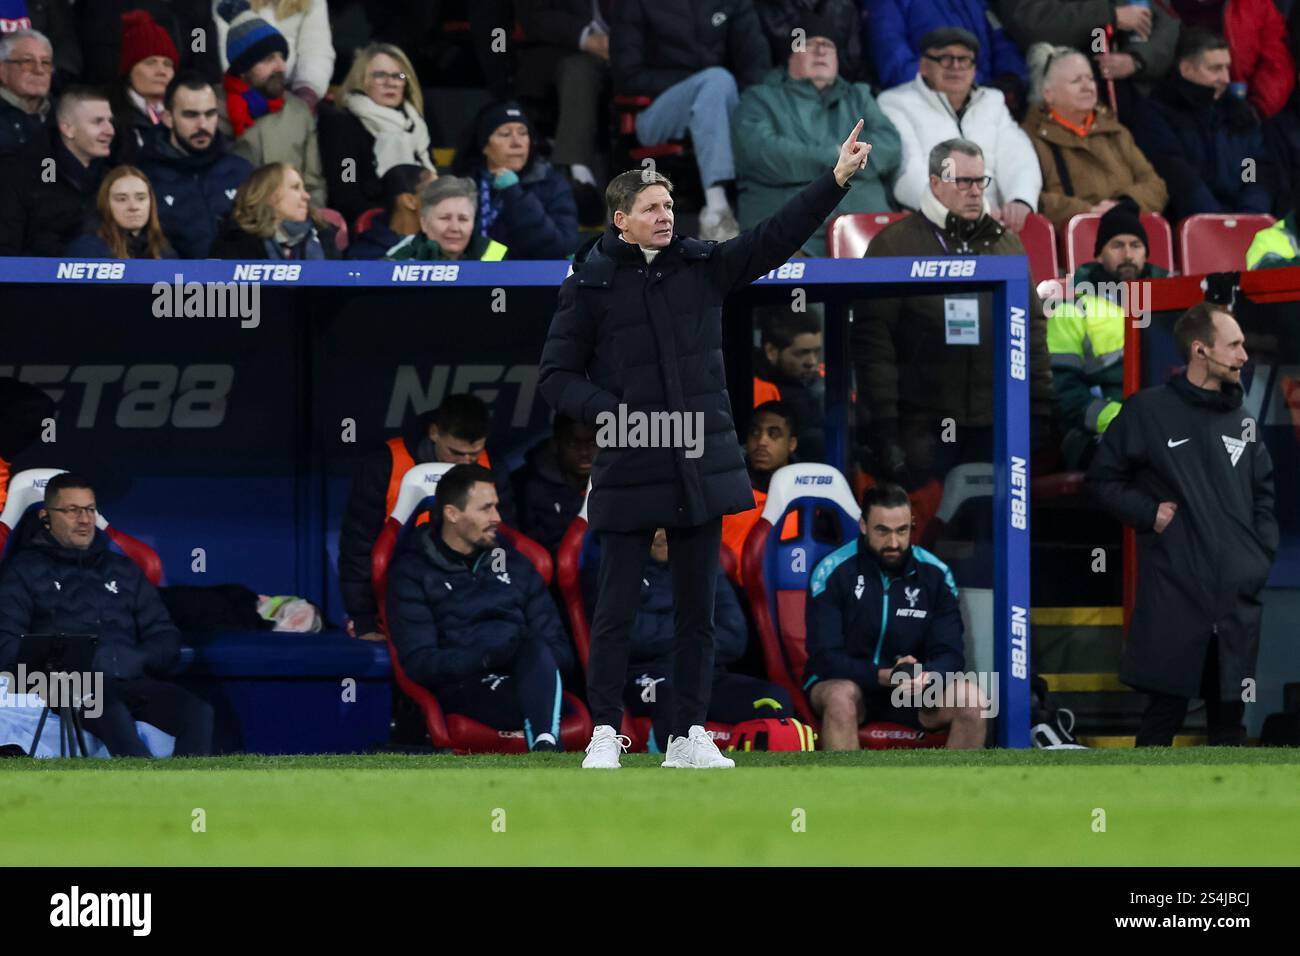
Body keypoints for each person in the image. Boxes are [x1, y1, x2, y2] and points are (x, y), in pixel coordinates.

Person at [539, 118, 871, 769]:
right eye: (653, 208)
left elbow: (773, 237)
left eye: (669, 204)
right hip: (631, 457)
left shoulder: (702, 266)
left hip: (699, 459)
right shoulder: (590, 284)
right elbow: (554, 378)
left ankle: (688, 735)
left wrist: (834, 180)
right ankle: (606, 731)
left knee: (699, 610)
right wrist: (610, 410)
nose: (667, 215)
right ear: (621, 219)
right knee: (615, 609)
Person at [1087, 302, 1277, 746]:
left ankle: (1226, 814)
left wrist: (1256, 559)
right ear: (1200, 350)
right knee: (1163, 716)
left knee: (1230, 720)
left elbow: (1265, 498)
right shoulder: (1148, 412)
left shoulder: (1244, 421)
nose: (1244, 355)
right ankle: (1142, 813)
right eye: (1233, 345)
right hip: (1176, 590)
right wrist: (1148, 513)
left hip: (1235, 597)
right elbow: (1101, 479)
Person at [853, 139, 1054, 496]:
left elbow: (1032, 328)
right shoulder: (894, 245)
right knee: (928, 529)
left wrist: (1038, 407)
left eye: (981, 181)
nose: (975, 192)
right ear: (934, 183)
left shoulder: (1006, 242)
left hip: (994, 422)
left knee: (991, 532)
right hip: (921, 426)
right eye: (963, 182)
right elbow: (873, 341)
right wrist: (883, 425)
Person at [0, 473, 214, 757]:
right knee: (110, 711)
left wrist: (139, 658)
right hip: (67, 686)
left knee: (198, 711)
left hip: (131, 679)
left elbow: (164, 635)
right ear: (46, 516)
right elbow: (7, 646)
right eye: (72, 510)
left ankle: (190, 794)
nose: (85, 519)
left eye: (90, 509)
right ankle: (141, 792)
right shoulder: (22, 572)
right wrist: (56, 667)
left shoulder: (123, 570)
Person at [384, 464, 576, 752]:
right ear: (452, 513)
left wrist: (521, 660)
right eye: (486, 509)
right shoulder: (413, 571)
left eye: (497, 507)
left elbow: (560, 649)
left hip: (531, 674)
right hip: (464, 685)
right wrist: (486, 658)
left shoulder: (517, 564)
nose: (497, 518)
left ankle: (545, 746)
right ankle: (547, 745)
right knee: (537, 696)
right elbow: (419, 662)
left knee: (533, 652)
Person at [804, 483, 986, 750]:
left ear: (912, 525)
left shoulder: (935, 574)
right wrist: (882, 675)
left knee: (974, 702)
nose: (893, 543)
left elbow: (951, 654)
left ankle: (953, 793)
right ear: (864, 525)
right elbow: (824, 657)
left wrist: (926, 674)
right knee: (840, 697)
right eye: (882, 531)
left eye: (902, 531)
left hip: (911, 691)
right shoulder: (832, 571)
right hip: (850, 686)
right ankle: (842, 792)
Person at [585, 528, 795, 751]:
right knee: (674, 696)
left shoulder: (704, 565)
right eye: (654, 528)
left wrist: (677, 640)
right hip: (648, 676)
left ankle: (753, 781)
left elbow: (735, 637)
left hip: (705, 674)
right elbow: (632, 637)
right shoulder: (616, 568)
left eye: (668, 526)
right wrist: (693, 636)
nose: (662, 534)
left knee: (775, 700)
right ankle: (670, 776)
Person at [338, 394, 509, 644]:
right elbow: (359, 546)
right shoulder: (387, 464)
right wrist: (363, 617)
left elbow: (506, 546)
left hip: (474, 602)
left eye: (474, 454)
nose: (466, 462)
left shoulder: (491, 466)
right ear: (434, 432)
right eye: (456, 452)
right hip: (403, 599)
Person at [732, 12, 902, 256]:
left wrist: (810, 161)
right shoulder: (758, 100)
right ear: (790, 55)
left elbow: (890, 146)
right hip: (789, 238)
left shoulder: (859, 97)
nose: (821, 51)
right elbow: (762, 155)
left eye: (828, 46)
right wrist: (840, 159)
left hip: (865, 235)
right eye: (809, 44)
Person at [611, 0, 772, 241]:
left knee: (732, 91)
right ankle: (717, 209)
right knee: (716, 81)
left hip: (721, 104)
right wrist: (697, 84)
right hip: (654, 113)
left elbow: (755, 66)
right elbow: (627, 76)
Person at [878, 27, 1040, 231]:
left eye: (964, 59)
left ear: (974, 68)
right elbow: (906, 172)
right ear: (924, 65)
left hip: (996, 222)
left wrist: (1020, 199)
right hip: (932, 224)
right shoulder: (895, 103)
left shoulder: (993, 101)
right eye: (945, 58)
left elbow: (1019, 156)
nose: (956, 66)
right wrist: (959, 209)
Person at [1048, 198, 1168, 469]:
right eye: (1117, 245)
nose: (1128, 255)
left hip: (1161, 426)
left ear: (1146, 253)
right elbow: (1063, 392)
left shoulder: (1170, 304)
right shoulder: (1072, 309)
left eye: (1135, 246)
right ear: (1099, 255)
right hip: (1091, 433)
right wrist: (1119, 419)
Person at [1133, 29, 1275, 223]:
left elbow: (1252, 166)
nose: (1226, 78)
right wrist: (1214, 222)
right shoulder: (1157, 113)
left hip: (1243, 224)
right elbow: (1176, 174)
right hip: (1190, 228)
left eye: (1227, 68)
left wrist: (1250, 213)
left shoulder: (1240, 114)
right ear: (1186, 69)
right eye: (1215, 69)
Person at [1022, 44, 1167, 229]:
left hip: (1126, 232)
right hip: (1073, 240)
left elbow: (1156, 187)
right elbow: (1031, 197)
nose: (1087, 87)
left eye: (1090, 79)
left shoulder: (1116, 131)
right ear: (1048, 94)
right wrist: (1088, 213)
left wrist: (1123, 205)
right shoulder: (1029, 138)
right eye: (1076, 81)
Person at [992, 0, 1178, 123]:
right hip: (1058, 94)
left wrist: (1136, 58)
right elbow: (1032, 24)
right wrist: (1110, 15)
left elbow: (1162, 21)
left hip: (1128, 89)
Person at [216, 0, 325, 205]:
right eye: (268, 59)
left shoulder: (298, 112)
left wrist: (315, 222)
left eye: (282, 57)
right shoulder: (214, 109)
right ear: (243, 68)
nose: (281, 67)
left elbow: (313, 184)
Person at [136, 72, 254, 259]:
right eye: (191, 115)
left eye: (210, 114)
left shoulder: (241, 171)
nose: (203, 125)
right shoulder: (142, 177)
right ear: (167, 118)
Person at [515, 1, 611, 224]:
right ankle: (576, 178)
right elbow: (534, 17)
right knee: (579, 71)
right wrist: (585, 38)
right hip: (562, 52)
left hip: (634, 55)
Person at [318, 42, 434, 226]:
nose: (391, 82)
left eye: (399, 76)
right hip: (370, 227)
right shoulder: (343, 124)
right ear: (361, 80)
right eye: (380, 75)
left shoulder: (416, 126)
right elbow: (346, 188)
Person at [451, 101, 578, 260]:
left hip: (532, 280)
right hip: (473, 276)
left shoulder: (553, 185)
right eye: (505, 134)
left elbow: (560, 248)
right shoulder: (463, 185)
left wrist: (514, 194)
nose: (517, 143)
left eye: (523, 133)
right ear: (484, 146)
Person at [0, 86, 112, 256]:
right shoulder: (22, 174)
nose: (110, 131)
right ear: (68, 128)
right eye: (98, 121)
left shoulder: (112, 177)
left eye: (109, 121)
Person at [865, 0, 1028, 95]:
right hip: (926, 100)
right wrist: (966, 81)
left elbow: (997, 35)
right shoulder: (887, 4)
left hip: (983, 96)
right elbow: (894, 65)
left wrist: (1010, 75)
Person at [1170, 0, 1294, 120]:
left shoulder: (1255, 4)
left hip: (1242, 107)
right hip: (1175, 107)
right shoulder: (1165, 5)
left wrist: (1257, 108)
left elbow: (1277, 63)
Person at [720, 400, 801, 580]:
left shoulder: (806, 498)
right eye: (755, 432)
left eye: (774, 434)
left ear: (792, 444)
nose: (762, 441)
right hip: (728, 595)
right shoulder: (725, 491)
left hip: (787, 595)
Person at [212, 0, 334, 111]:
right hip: (238, 88)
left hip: (290, 91)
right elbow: (224, 45)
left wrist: (308, 92)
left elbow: (316, 49)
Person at [209, 161, 337, 258]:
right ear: (268, 195)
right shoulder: (233, 244)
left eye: (304, 189)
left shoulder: (324, 235)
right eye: (295, 187)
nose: (306, 196)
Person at [513, 414, 595, 555]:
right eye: (573, 444)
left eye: (592, 443)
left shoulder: (616, 481)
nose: (584, 452)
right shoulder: (528, 486)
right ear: (556, 445)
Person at [753, 309, 825, 462]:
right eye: (801, 353)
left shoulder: (812, 386)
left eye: (816, 352)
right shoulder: (760, 390)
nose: (812, 361)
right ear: (771, 351)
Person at [383, 176, 509, 261]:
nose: (454, 228)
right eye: (445, 218)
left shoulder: (494, 254)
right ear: (424, 223)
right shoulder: (401, 255)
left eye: (463, 219)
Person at [108, 10, 177, 165]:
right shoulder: (110, 117)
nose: (162, 71)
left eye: (168, 64)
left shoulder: (181, 115)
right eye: (150, 62)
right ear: (129, 69)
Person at [64, 164, 176, 258]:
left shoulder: (164, 250)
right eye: (122, 199)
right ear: (106, 204)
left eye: (141, 198)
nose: (133, 207)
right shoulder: (87, 250)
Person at [753, 0, 866, 83]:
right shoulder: (763, 8)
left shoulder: (843, 7)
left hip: (836, 95)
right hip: (784, 96)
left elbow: (854, 66)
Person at [345, 163, 433, 260]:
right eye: (437, 192)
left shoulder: (444, 244)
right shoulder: (363, 256)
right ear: (410, 201)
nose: (446, 200)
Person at [0, 28, 53, 158]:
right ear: (3, 70)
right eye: (27, 61)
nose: (39, 70)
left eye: (45, 62)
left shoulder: (64, 113)